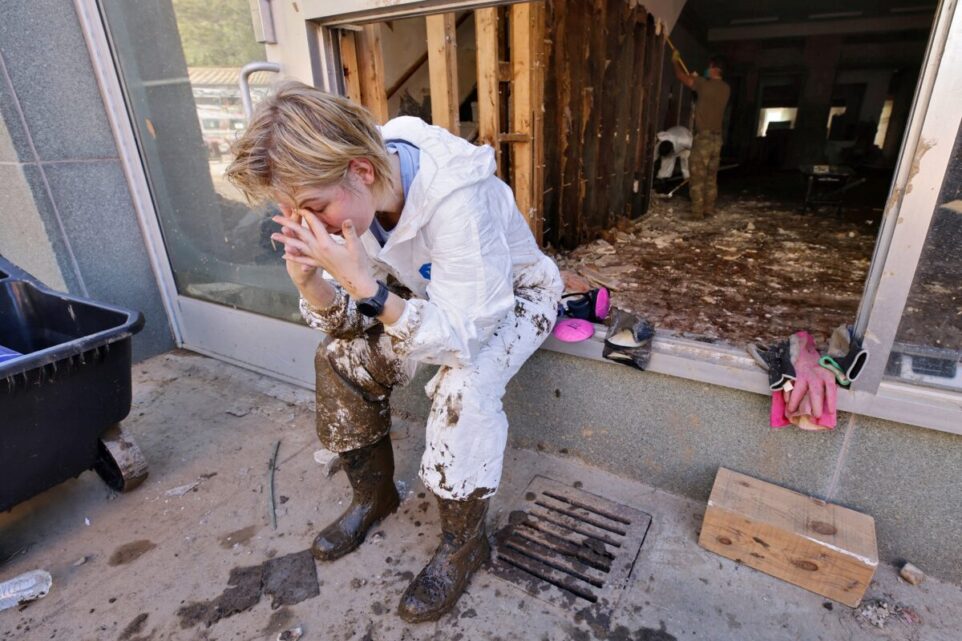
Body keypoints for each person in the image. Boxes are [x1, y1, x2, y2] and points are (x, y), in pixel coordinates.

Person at [225, 81, 563, 623]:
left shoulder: (458, 197)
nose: (311, 226)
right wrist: (311, 282)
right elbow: (346, 327)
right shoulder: (360, 188)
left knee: (463, 388)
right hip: (427, 301)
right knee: (337, 361)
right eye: (292, 212)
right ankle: (373, 496)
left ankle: (463, 543)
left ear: (361, 171)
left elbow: (461, 338)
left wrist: (368, 289)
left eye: (313, 208)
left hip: (512, 299)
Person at [673, 53, 730, 219]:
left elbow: (680, 76)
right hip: (717, 139)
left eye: (709, 67)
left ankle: (697, 213)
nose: (707, 69)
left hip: (703, 138)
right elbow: (702, 87)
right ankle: (709, 208)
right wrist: (697, 79)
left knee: (697, 175)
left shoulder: (703, 84)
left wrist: (675, 61)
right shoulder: (726, 88)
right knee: (711, 176)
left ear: (713, 68)